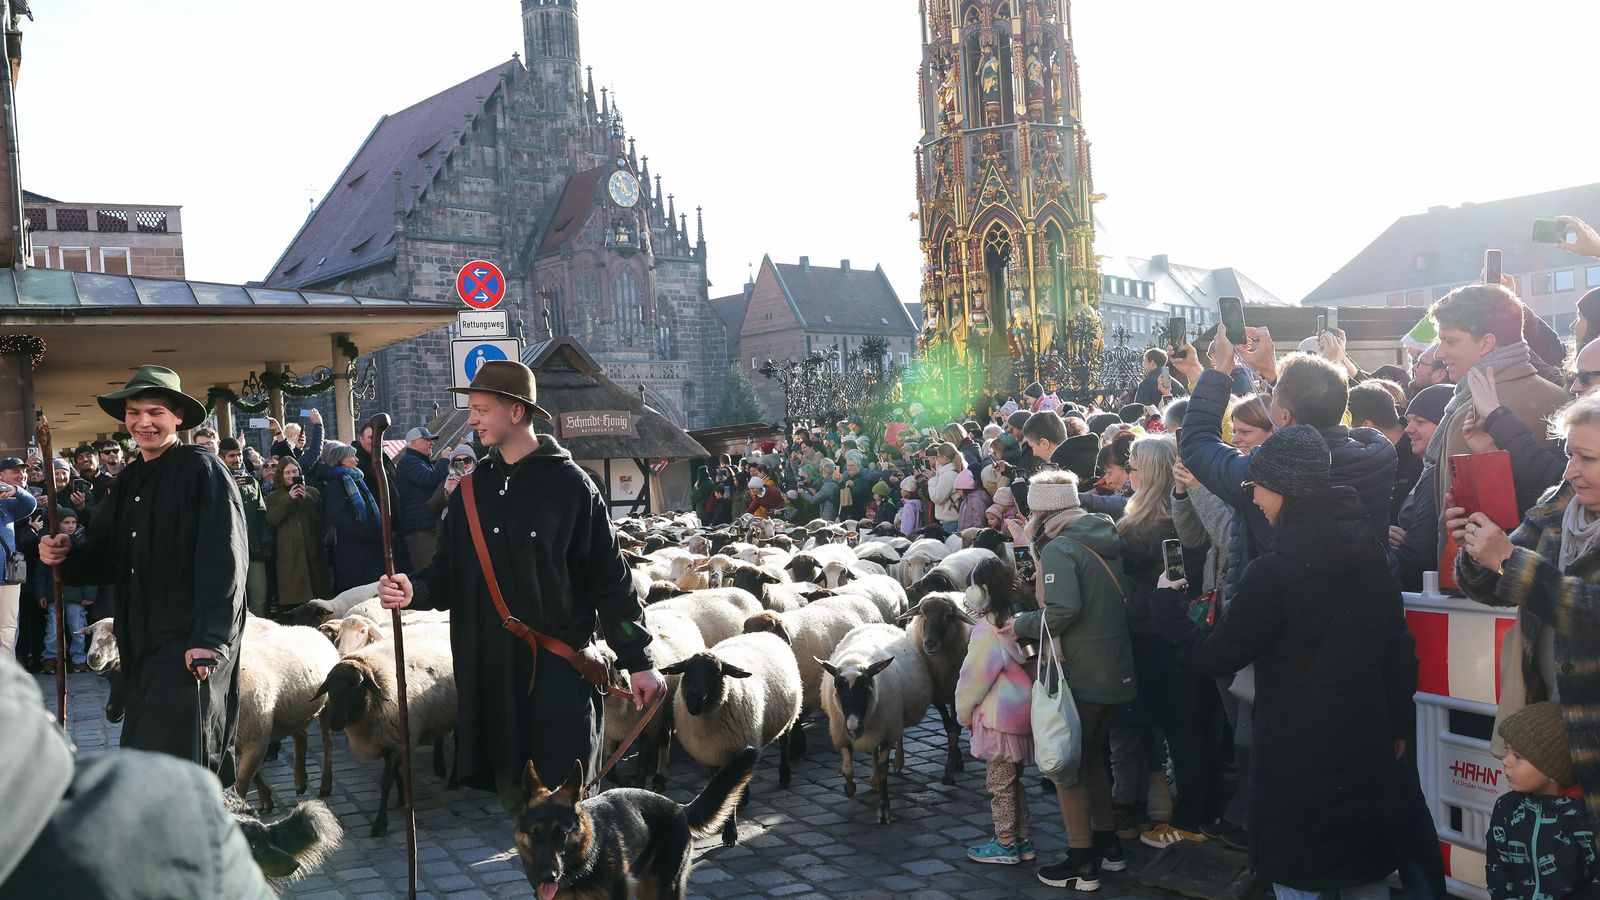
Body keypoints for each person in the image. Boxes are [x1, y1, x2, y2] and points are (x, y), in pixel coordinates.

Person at [376, 359, 664, 816]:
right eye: (471, 409)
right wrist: (414, 590)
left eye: (481, 409)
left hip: (557, 686)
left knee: (568, 824)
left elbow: (612, 584)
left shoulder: (573, 488)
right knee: (524, 823)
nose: (471, 419)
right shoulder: (471, 492)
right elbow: (447, 576)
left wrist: (640, 662)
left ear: (516, 411)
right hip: (491, 687)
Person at [1151, 425, 1418, 898]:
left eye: (1258, 484)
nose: (1252, 495)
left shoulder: (1273, 572)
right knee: (1364, 876)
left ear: (1285, 488)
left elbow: (1216, 656)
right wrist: (1396, 727)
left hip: (1298, 755)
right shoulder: (1371, 553)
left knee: (1301, 880)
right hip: (1365, 741)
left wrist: (1169, 611)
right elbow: (1397, 650)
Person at [39, 365, 247, 781]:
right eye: (134, 412)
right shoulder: (130, 478)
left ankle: (202, 840)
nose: (143, 422)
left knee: (187, 758)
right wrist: (64, 553)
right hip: (141, 641)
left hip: (190, 642)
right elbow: (103, 551)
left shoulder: (202, 470)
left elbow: (225, 558)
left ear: (178, 418)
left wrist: (209, 640)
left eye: (155, 412)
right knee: (146, 757)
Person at [1448, 391, 1600, 829]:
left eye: (1586, 458)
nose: (1570, 471)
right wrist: (1477, 550)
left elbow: (1590, 613)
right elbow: (1496, 586)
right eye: (1569, 454)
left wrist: (1508, 561)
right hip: (1555, 727)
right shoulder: (1559, 505)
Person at [1004, 470, 1136, 890]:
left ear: (1043, 511)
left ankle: (1081, 862)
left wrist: (1020, 623)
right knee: (1094, 757)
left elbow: (1062, 611)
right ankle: (1108, 846)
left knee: (1068, 765)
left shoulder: (1062, 547)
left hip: (1082, 669)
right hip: (1116, 666)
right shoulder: (1101, 535)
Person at [1116, 435, 1225, 850]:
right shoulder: (1181, 516)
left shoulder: (1153, 524)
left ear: (1152, 471)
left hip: (1160, 636)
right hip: (1188, 631)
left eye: (1134, 464)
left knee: (1184, 731)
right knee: (1197, 728)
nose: (1130, 472)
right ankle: (1205, 812)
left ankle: (1190, 820)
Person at [1429, 283, 1570, 554]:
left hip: (1486, 583)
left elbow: (1457, 533)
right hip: (1542, 572)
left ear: (1486, 343)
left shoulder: (1471, 415)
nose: (1439, 353)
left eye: (1450, 341)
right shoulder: (1561, 397)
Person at [957, 566, 1036, 867]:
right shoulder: (1018, 622)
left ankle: (1005, 842)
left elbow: (973, 678)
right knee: (1014, 781)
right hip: (1022, 714)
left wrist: (964, 713)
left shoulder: (987, 631)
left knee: (999, 784)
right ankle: (1022, 838)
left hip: (998, 718)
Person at [1484, 702, 1598, 898]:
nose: (1505, 760)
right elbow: (1498, 870)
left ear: (1553, 771)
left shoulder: (1586, 819)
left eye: (1517, 755)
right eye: (1507, 750)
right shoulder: (1506, 807)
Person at [1348, 380, 1419, 525]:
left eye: (1349, 427)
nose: (1347, 434)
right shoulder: (1374, 455)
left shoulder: (1418, 454)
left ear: (1367, 426)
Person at [318, 441, 384, 593]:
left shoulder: (357, 479)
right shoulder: (335, 484)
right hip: (352, 549)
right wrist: (361, 532)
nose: (357, 459)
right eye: (352, 456)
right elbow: (337, 515)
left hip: (368, 545)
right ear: (342, 460)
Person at [265, 457, 327, 610]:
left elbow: (321, 517)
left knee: (318, 600)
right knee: (293, 601)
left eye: (295, 471)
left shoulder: (312, 491)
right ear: (281, 474)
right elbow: (272, 519)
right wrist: (288, 499)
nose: (291, 475)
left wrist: (307, 498)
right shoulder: (274, 496)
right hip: (288, 555)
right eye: (287, 472)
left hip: (311, 552)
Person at [219, 438, 271, 617]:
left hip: (253, 549)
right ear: (222, 457)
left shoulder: (252, 482)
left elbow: (261, 513)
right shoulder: (215, 481)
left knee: (259, 597)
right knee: (234, 600)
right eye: (231, 456)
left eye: (239, 454)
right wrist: (228, 487)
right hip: (228, 552)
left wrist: (264, 544)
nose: (237, 459)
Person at [0, 456, 37, 658]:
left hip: (9, 574)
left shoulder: (11, 503)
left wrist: (14, 490)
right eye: (15, 471)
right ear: (1, 475)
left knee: (8, 628)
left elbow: (30, 503)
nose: (21, 474)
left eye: (23, 471)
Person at [396, 426, 447, 570]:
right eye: (426, 440)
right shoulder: (409, 462)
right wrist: (444, 461)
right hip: (420, 531)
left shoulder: (420, 462)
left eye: (431, 440)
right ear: (413, 443)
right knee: (427, 574)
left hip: (427, 528)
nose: (431, 443)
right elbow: (431, 480)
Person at [928, 442, 964, 534]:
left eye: (938, 457)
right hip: (953, 519)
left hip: (951, 521)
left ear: (944, 457)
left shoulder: (948, 476)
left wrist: (932, 480)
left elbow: (937, 497)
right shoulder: (954, 471)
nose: (936, 459)